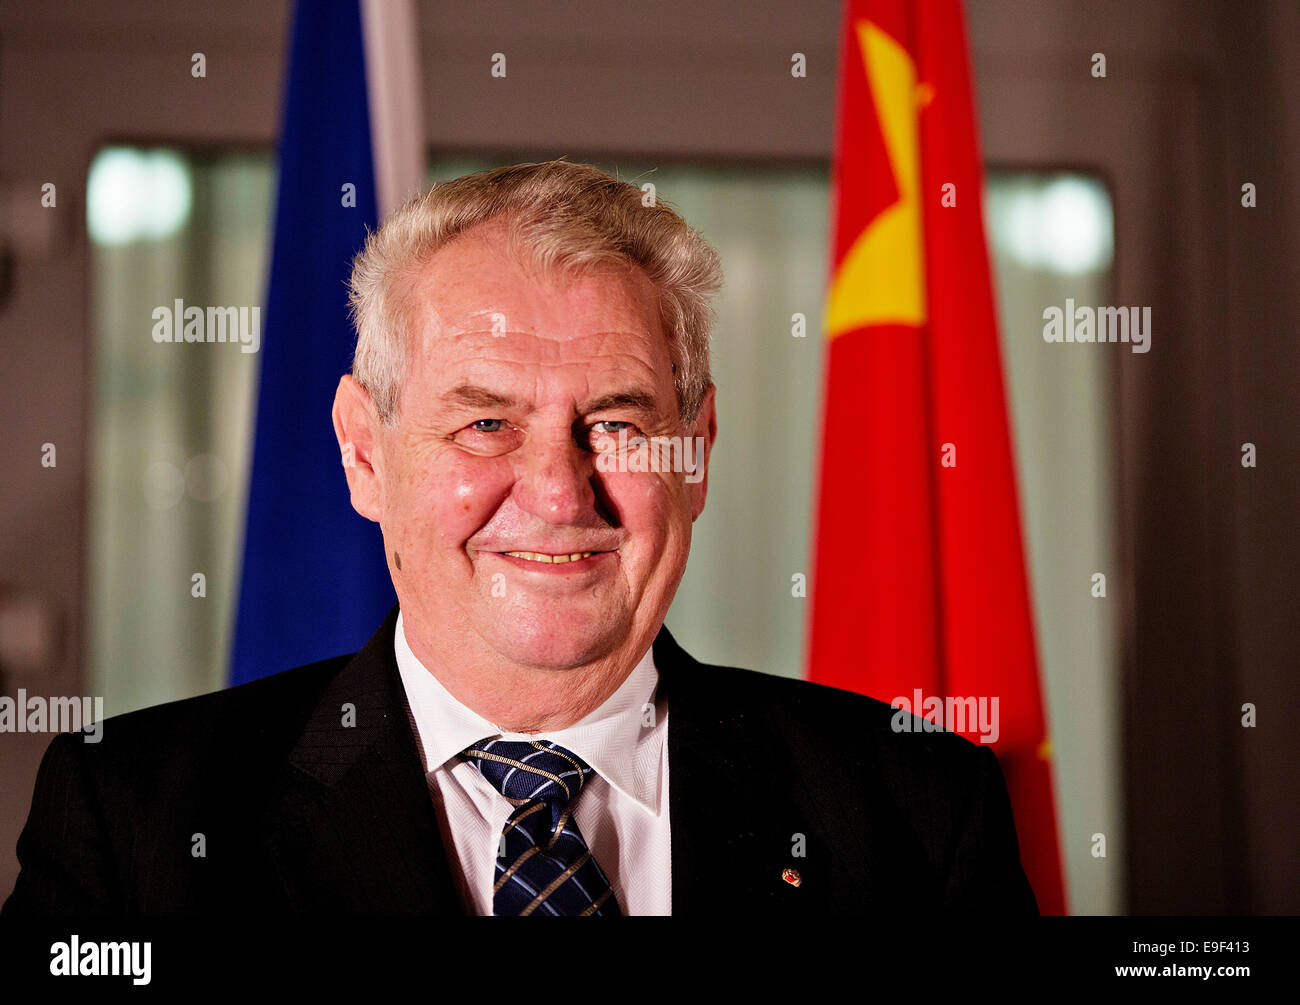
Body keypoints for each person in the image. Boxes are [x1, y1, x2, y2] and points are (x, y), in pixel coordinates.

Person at [3, 160, 1038, 916]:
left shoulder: (915, 810)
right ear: (365, 454)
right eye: (486, 421)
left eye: (617, 425)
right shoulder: (134, 822)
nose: (555, 490)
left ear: (699, 453)